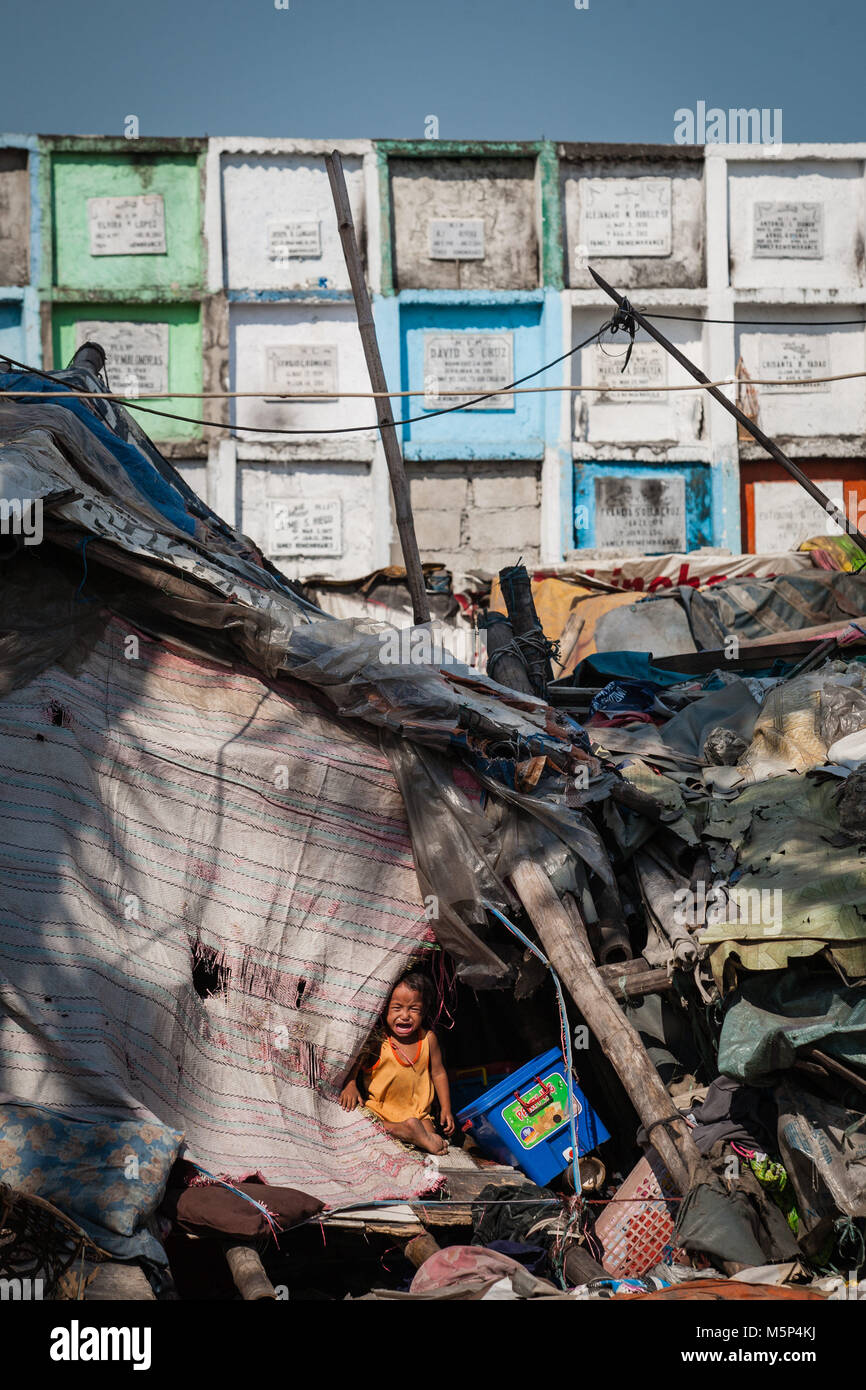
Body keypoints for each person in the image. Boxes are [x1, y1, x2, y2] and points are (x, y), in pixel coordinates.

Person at [340, 970, 454, 1155]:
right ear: (384, 1009)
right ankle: (405, 1131)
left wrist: (446, 1108)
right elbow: (354, 1065)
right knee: (366, 1127)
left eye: (414, 1009)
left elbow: (438, 1073)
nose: (405, 1015)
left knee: (432, 1138)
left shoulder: (427, 1039)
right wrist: (350, 1084)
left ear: (424, 1011)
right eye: (397, 1008)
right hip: (381, 1111)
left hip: (419, 1114)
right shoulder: (377, 1040)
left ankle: (409, 1131)